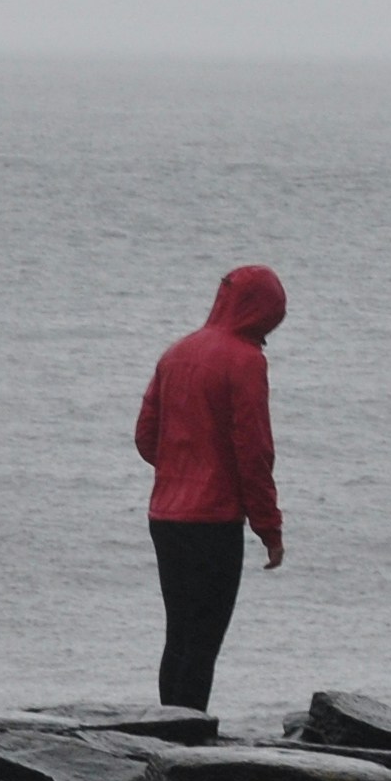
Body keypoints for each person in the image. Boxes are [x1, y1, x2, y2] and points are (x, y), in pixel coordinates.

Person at [134, 264, 286, 712]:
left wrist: (182, 466)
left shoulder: (177, 352)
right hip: (214, 521)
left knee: (178, 632)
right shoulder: (245, 361)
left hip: (165, 517)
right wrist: (269, 529)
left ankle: (164, 733)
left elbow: (146, 436)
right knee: (203, 639)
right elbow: (253, 454)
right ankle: (187, 742)